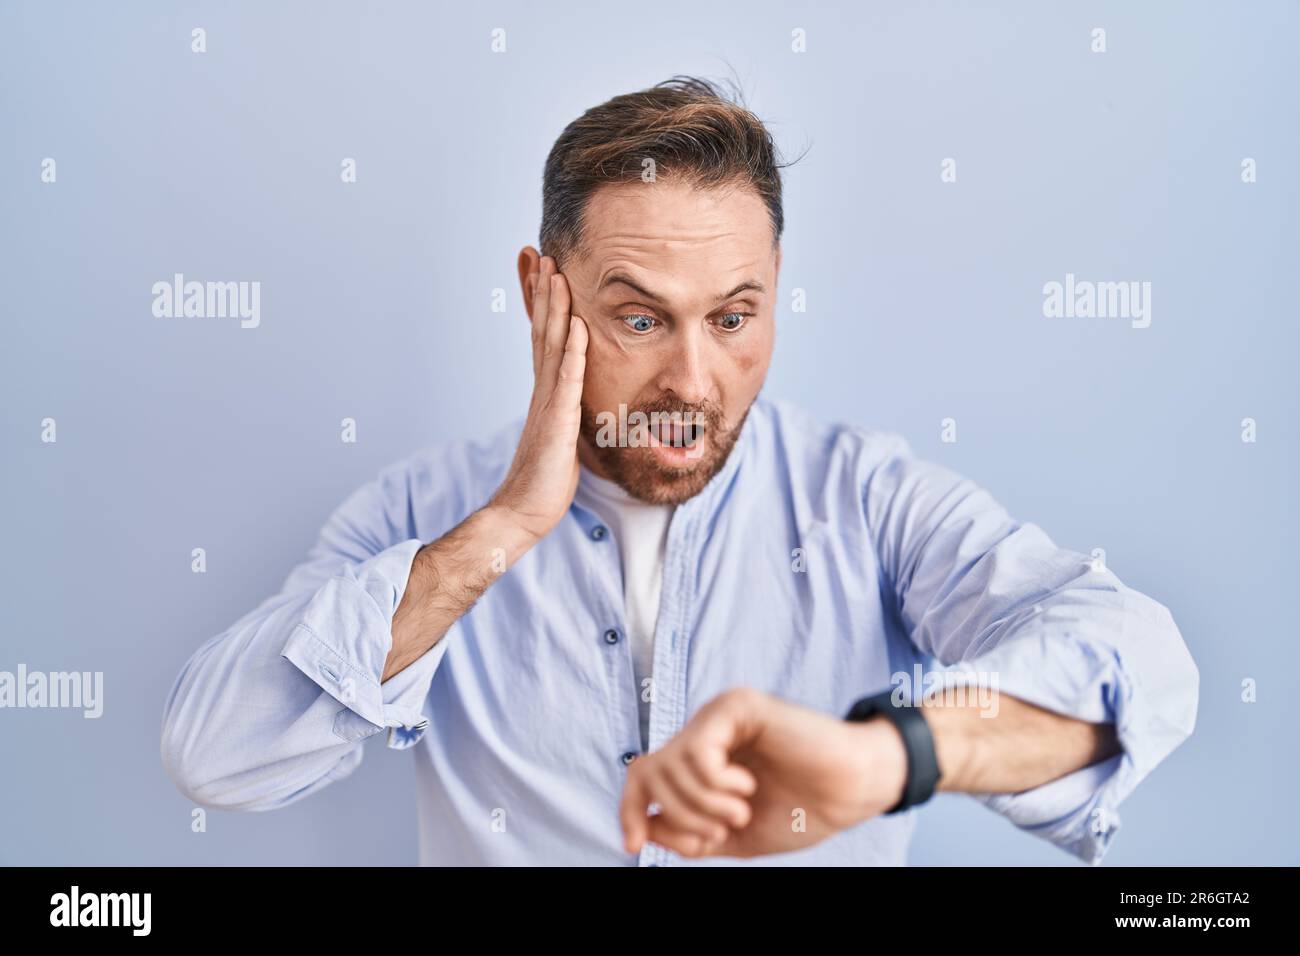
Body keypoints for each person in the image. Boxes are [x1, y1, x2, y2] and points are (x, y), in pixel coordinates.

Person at [161, 76, 1198, 866]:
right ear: (543, 293)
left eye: (734, 316)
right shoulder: (417, 518)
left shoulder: (865, 501)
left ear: (776, 288)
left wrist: (887, 755)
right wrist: (500, 532)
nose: (693, 381)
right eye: (640, 316)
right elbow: (212, 756)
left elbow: (1139, 664)